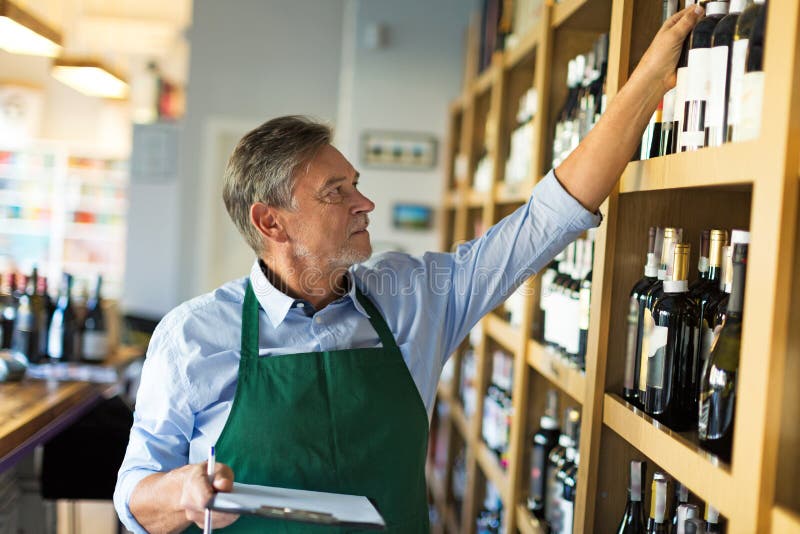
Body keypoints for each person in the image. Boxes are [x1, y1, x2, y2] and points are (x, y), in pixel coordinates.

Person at [114, 6, 706, 533]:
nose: (363, 203)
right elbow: (133, 495)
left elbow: (547, 219)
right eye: (336, 191)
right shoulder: (192, 336)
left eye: (357, 185)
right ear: (272, 223)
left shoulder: (412, 296)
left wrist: (647, 83)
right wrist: (181, 492)